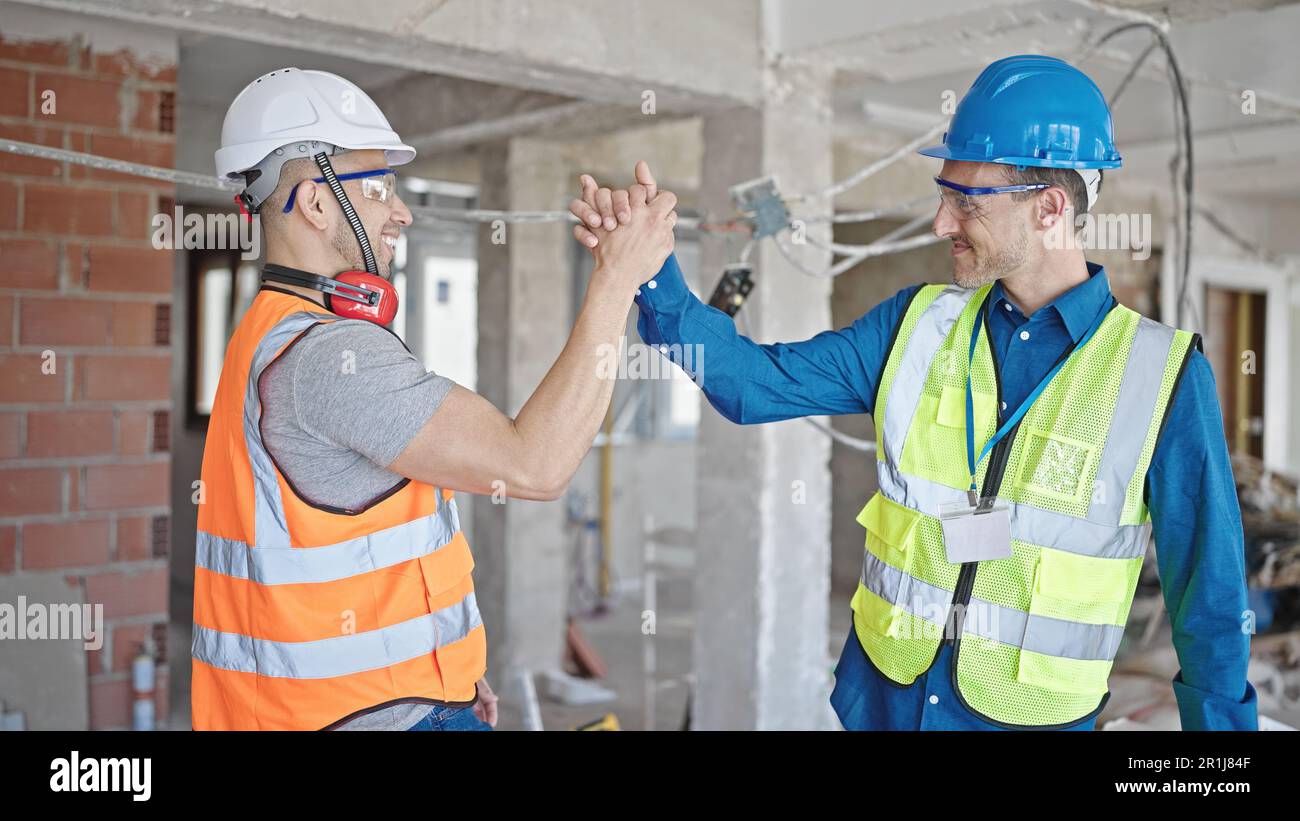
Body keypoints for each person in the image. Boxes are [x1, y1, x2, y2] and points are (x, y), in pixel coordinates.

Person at [572, 55, 1257, 731]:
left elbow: (1212, 596)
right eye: (944, 193)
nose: (941, 222)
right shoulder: (915, 324)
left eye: (967, 199)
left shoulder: (1160, 374)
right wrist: (652, 274)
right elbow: (754, 384)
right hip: (887, 700)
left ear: (1049, 207)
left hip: (1024, 720)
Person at [192, 67, 677, 730]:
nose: (403, 212)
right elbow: (535, 465)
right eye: (382, 188)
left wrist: (448, 674)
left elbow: (370, 541)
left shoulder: (270, 331)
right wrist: (618, 277)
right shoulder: (335, 359)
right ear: (315, 203)